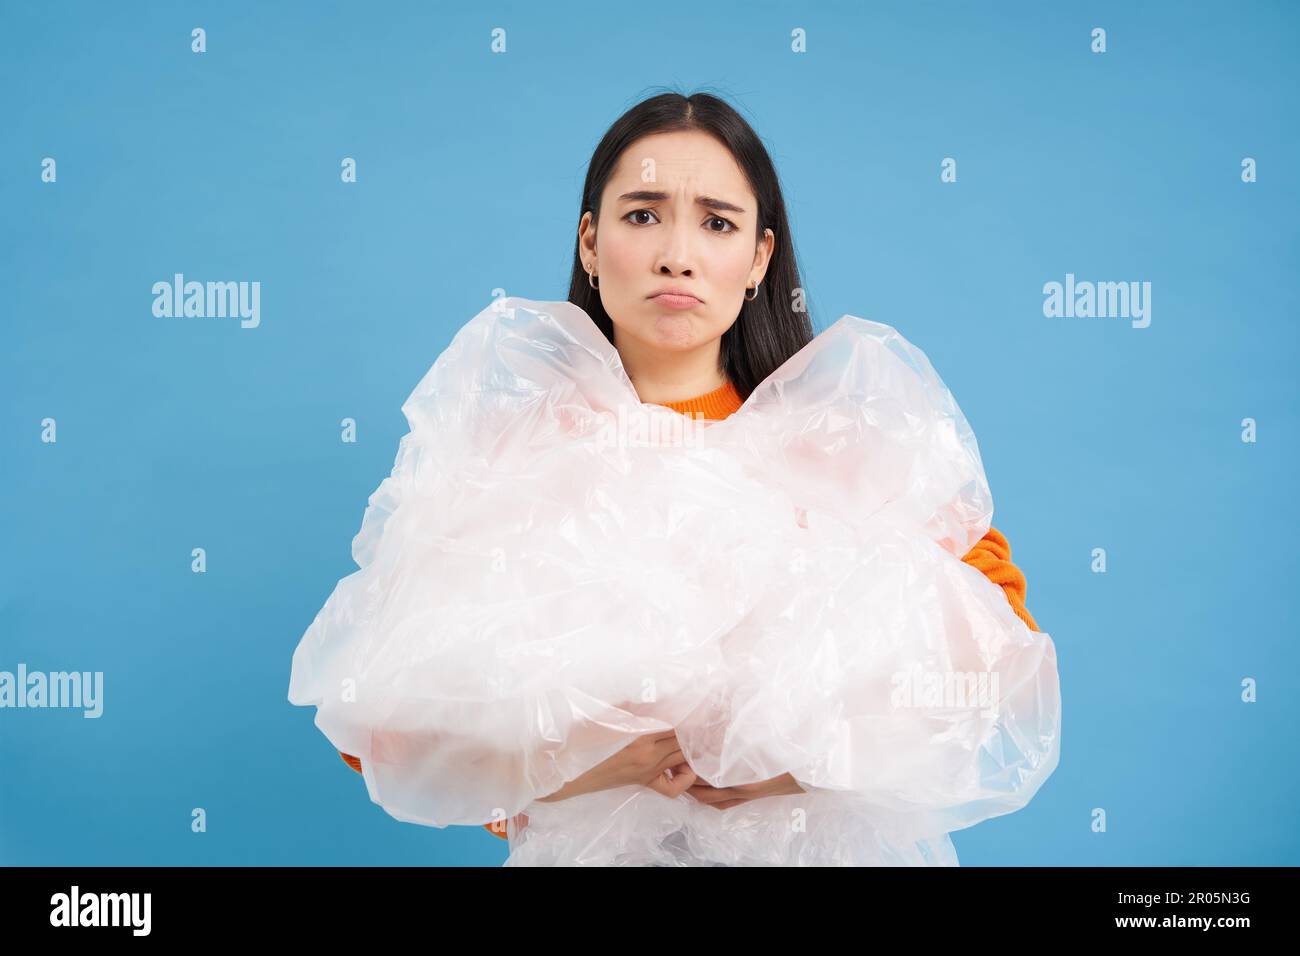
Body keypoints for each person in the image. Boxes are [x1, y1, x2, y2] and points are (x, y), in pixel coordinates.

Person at [332, 90, 1052, 858]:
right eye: (642, 215)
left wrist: (801, 766)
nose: (678, 252)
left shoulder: (841, 440)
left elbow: (995, 652)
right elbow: (382, 719)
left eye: (717, 222)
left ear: (759, 259)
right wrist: (566, 767)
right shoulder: (509, 455)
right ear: (589, 242)